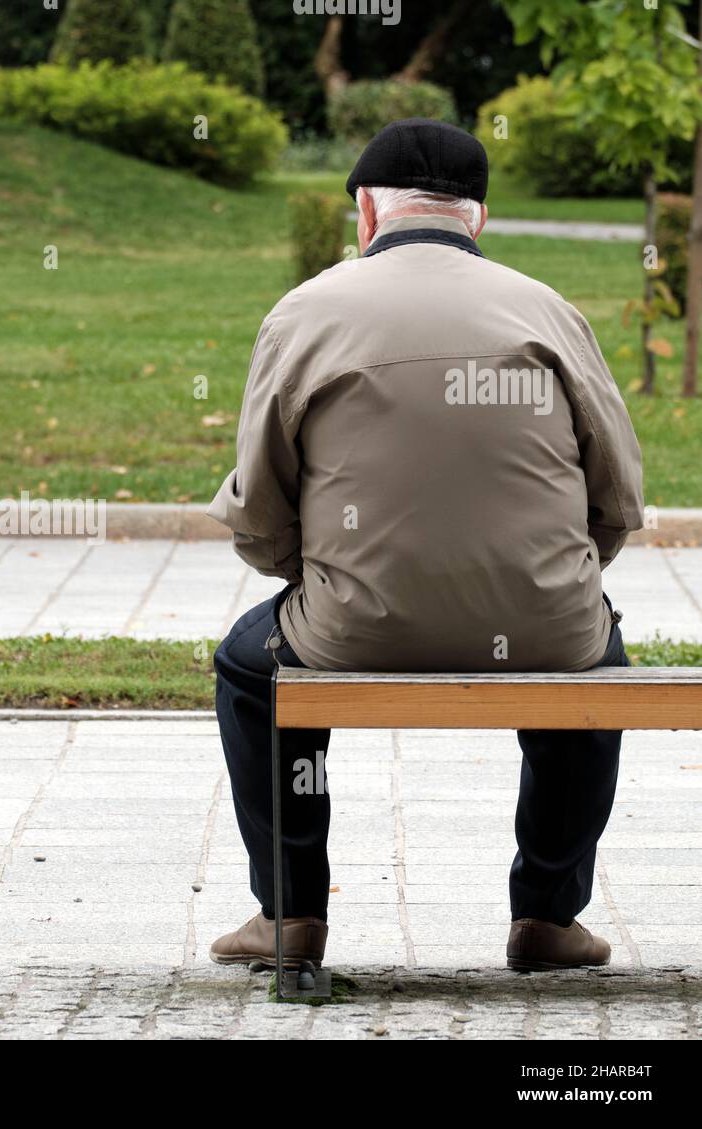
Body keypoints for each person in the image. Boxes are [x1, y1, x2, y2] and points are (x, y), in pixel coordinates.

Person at [207, 118, 644, 973]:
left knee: (248, 666)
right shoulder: (549, 311)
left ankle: (291, 914)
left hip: (348, 624)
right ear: (477, 219)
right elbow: (619, 500)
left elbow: (258, 514)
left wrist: (322, 576)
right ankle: (548, 918)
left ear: (366, 214)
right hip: (545, 624)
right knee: (596, 656)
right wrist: (548, 578)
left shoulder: (307, 311)